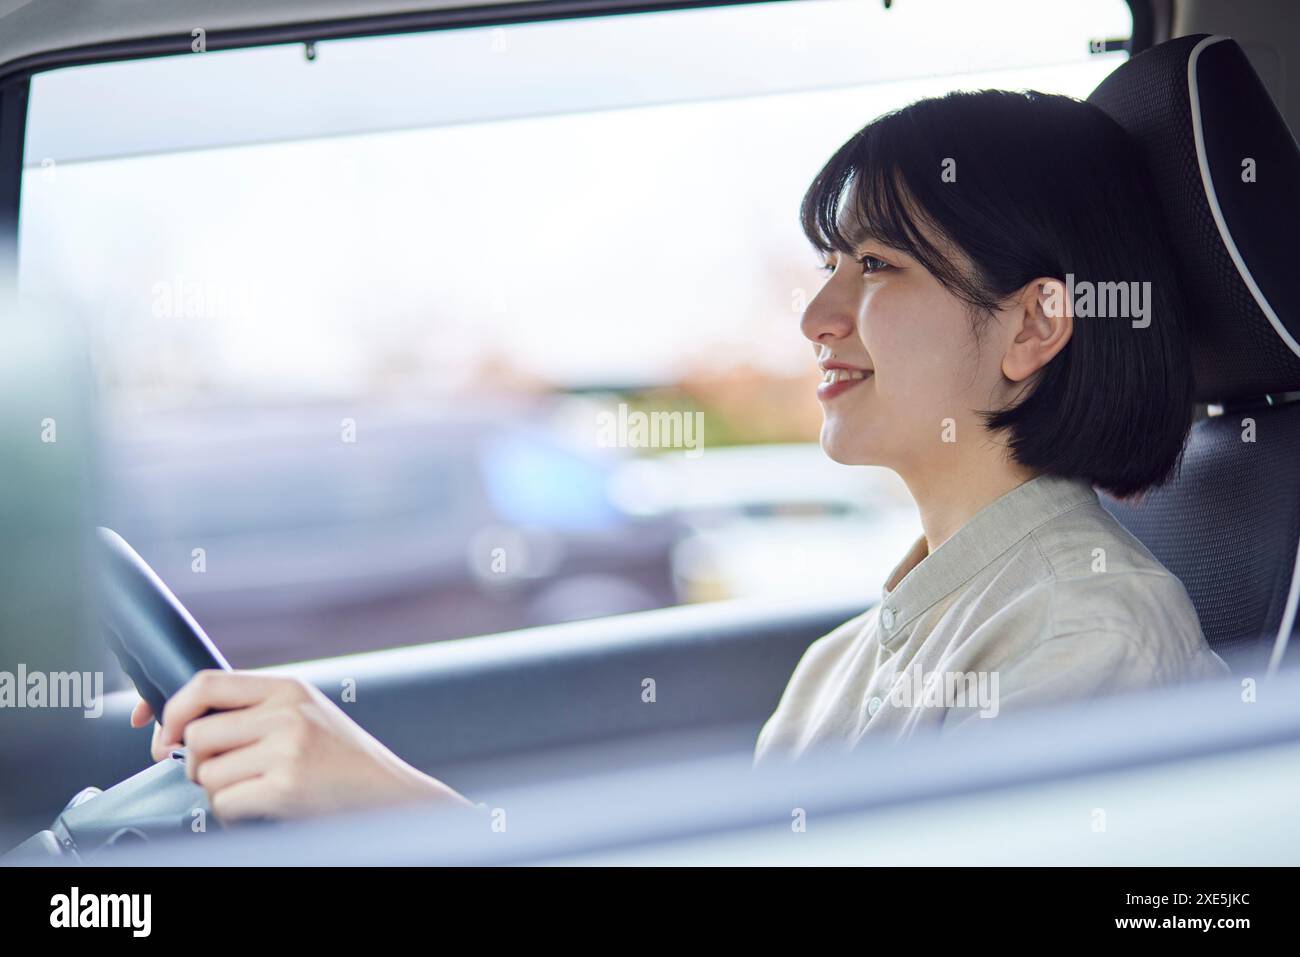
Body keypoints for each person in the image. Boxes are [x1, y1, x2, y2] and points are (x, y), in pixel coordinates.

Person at [130, 89, 1230, 817]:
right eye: (829, 263)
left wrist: (382, 800)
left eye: (879, 266)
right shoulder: (847, 660)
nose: (816, 317)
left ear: (1035, 325)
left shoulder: (1091, 633)